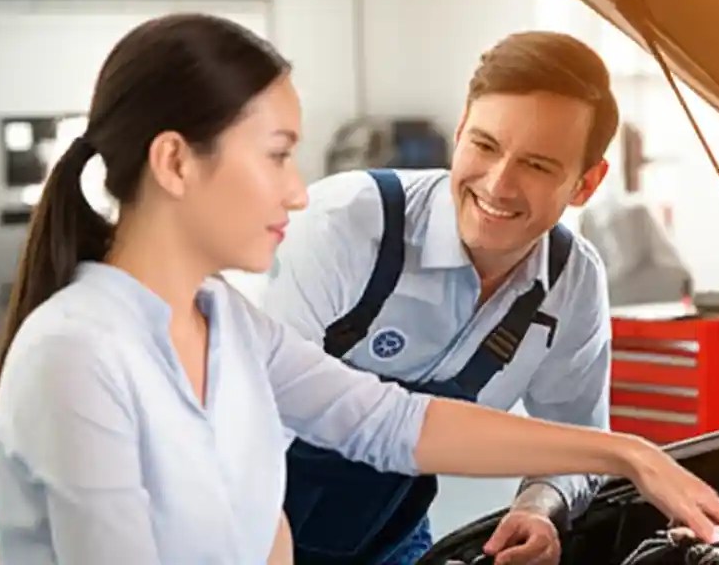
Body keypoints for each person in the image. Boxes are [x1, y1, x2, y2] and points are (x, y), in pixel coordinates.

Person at [0, 13, 719, 565]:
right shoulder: (78, 357)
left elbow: (388, 425)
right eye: (276, 155)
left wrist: (619, 456)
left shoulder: (226, 325)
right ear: (178, 164)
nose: (300, 192)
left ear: (584, 183)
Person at [261, 31, 626, 565]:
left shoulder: (572, 284)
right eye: (485, 146)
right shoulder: (347, 226)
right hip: (254, 520)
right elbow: (252, 422)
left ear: (586, 184)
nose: (498, 185)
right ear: (459, 132)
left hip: (391, 536)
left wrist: (539, 507)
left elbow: (578, 443)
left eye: (538, 165)